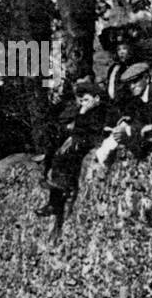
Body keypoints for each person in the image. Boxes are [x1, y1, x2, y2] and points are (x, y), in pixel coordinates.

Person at [37, 83, 108, 218]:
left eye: (86, 100)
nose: (83, 104)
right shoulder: (87, 111)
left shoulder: (99, 112)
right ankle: (54, 193)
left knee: (68, 155)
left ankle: (60, 190)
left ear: (97, 99)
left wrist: (82, 114)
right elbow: (77, 129)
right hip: (82, 140)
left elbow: (90, 130)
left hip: (93, 141)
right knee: (58, 152)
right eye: (81, 101)